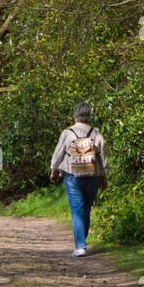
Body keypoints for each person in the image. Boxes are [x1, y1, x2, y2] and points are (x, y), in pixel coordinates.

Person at [49, 102, 108, 257]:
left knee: (76, 211)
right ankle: (83, 241)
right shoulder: (96, 133)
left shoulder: (67, 133)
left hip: (72, 175)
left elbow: (58, 154)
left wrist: (53, 170)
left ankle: (80, 246)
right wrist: (104, 176)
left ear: (75, 115)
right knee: (86, 208)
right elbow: (103, 157)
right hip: (93, 175)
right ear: (89, 115)